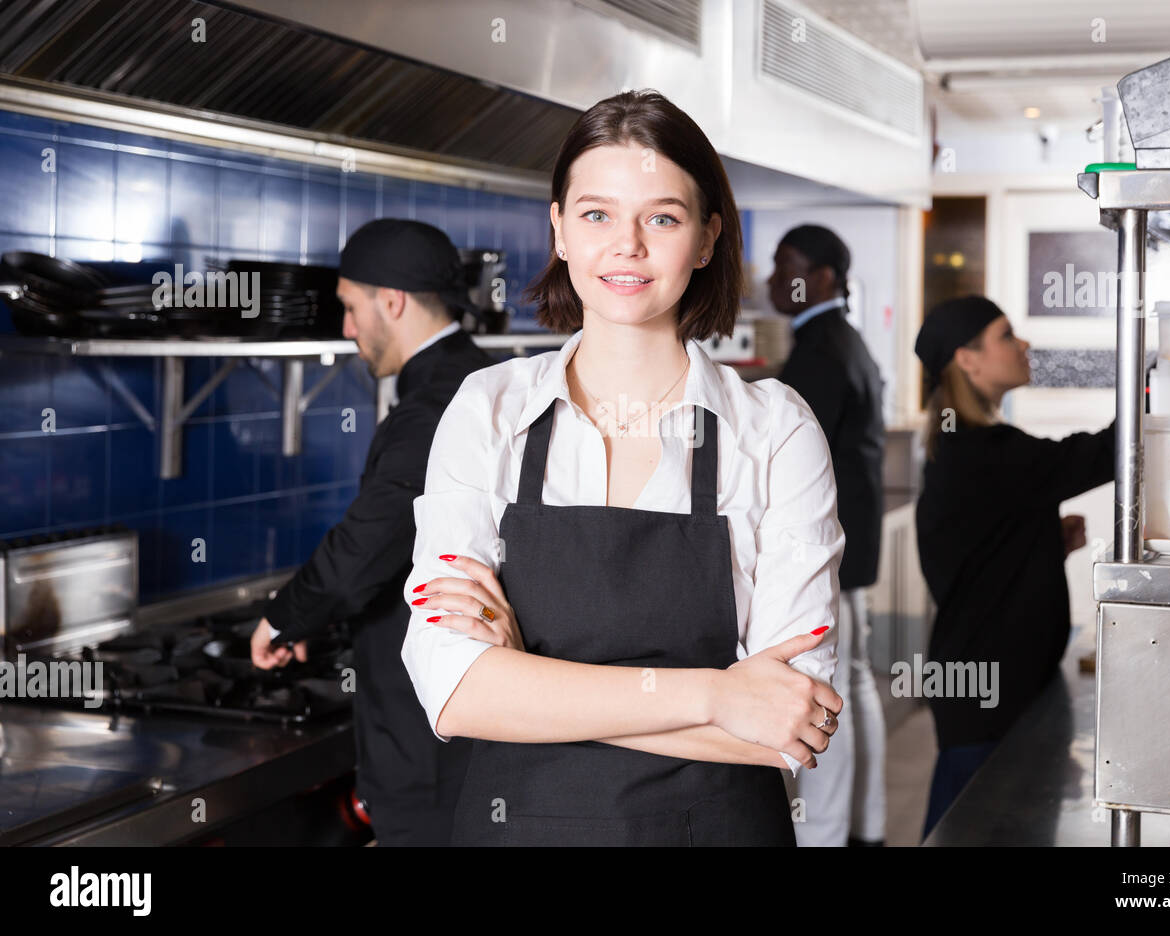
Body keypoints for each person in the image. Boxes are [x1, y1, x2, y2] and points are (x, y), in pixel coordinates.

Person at [400, 89, 846, 846]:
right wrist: (718, 695)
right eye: (597, 214)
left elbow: (787, 725)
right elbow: (454, 690)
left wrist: (530, 681)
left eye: (662, 217)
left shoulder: (774, 429)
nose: (627, 246)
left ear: (707, 239)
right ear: (561, 232)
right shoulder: (490, 409)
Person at [250, 219, 496, 845]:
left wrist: (286, 617)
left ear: (392, 301)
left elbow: (374, 538)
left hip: (432, 744)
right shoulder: (477, 378)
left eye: (351, 308)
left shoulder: (436, 402)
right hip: (461, 727)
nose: (347, 328)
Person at [913, 295, 1112, 838]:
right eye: (1007, 335)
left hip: (987, 679)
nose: (1024, 344)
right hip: (984, 686)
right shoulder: (982, 450)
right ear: (968, 359)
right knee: (971, 831)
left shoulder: (968, 446)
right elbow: (1108, 451)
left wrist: (1043, 538)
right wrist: (1168, 364)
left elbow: (979, 551)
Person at [770, 225, 888, 847]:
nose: (770, 280)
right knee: (854, 685)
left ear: (820, 277)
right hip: (854, 551)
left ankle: (828, 836)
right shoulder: (847, 340)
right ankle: (864, 827)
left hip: (827, 554)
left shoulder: (818, 349)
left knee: (824, 697)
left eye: (784, 266)